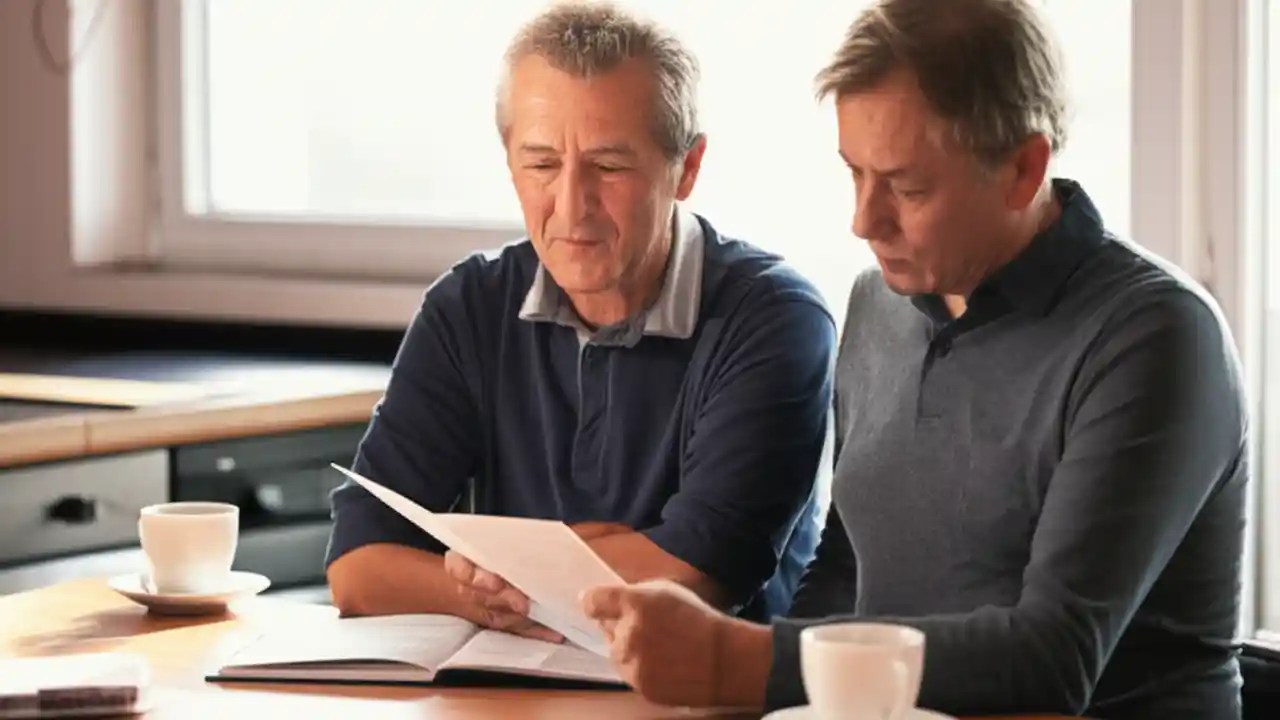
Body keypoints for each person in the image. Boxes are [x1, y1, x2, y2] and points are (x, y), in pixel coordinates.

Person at [581, 1, 1248, 718]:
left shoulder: (1155, 336)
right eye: (854, 173)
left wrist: (737, 659)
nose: (864, 220)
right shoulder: (879, 304)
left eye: (907, 186)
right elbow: (845, 574)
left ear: (1024, 169)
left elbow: (1052, 658)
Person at [324, 2, 836, 639]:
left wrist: (489, 567)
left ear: (689, 168)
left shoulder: (775, 319)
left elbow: (697, 577)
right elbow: (357, 566)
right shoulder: (468, 306)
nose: (572, 207)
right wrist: (522, 582)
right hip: (514, 697)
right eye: (541, 165)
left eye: (609, 166)